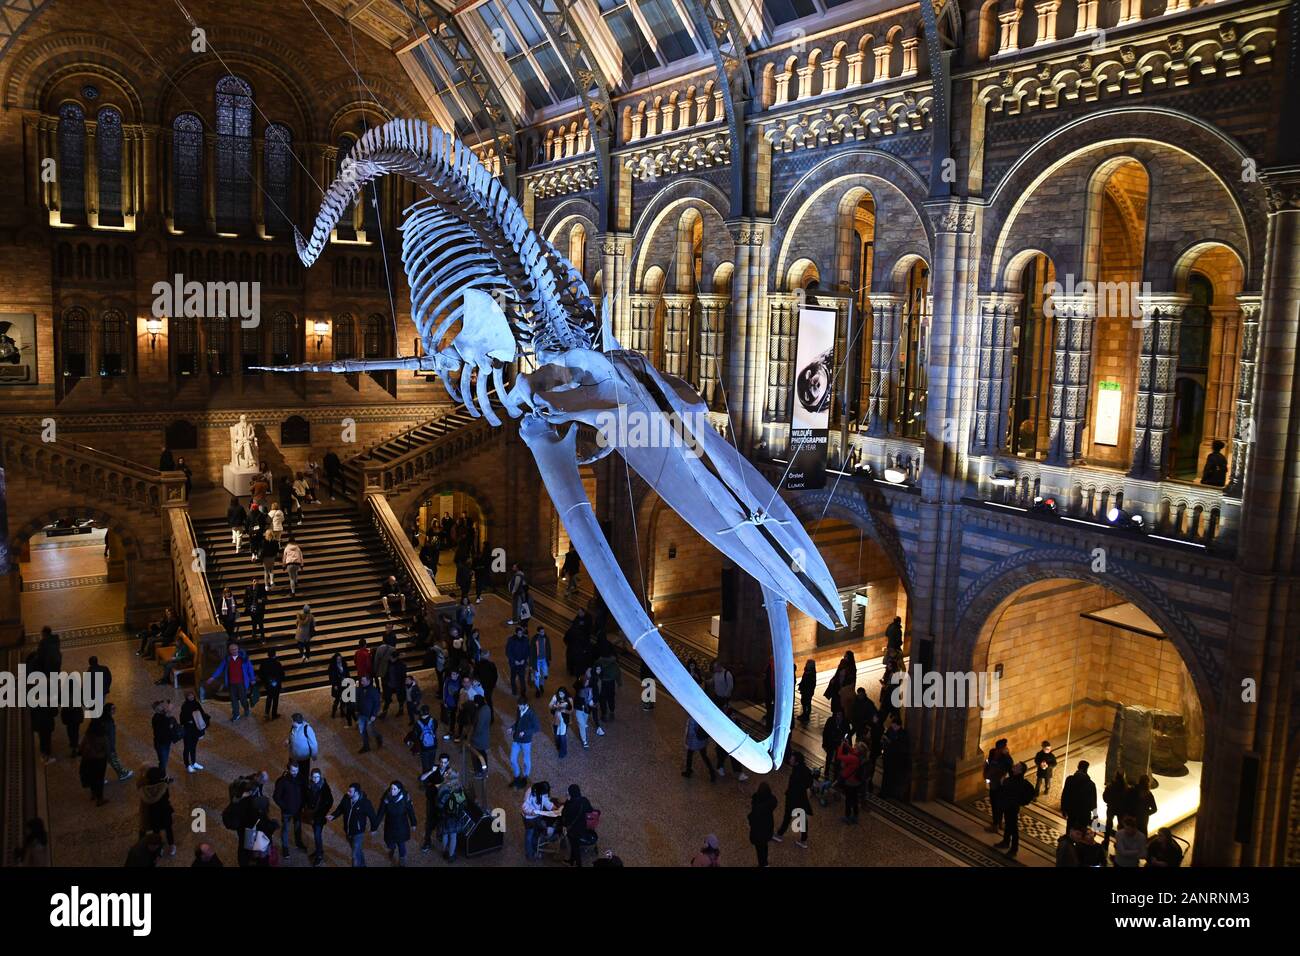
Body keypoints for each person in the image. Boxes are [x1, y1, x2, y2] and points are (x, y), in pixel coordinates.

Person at [328, 783, 378, 867]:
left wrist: (374, 828)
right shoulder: (346, 798)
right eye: (348, 791)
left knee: (354, 855)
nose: (348, 793)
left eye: (350, 791)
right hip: (348, 831)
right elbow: (340, 809)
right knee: (357, 850)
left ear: (357, 792)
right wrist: (333, 816)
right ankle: (362, 865)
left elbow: (372, 816)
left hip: (358, 833)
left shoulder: (365, 803)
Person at [994, 762, 1035, 858]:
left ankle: (1014, 849)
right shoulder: (1013, 777)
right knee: (1008, 826)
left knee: (1013, 829)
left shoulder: (1019, 781)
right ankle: (1005, 842)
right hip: (1007, 806)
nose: (1014, 766)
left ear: (1020, 771)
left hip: (1012, 808)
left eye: (1017, 766)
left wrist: (1003, 782)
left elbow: (1011, 789)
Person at [207, 641, 255, 721]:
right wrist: (213, 677)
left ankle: (246, 709)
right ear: (229, 650)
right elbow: (220, 668)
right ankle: (236, 714)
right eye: (232, 649)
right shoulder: (227, 659)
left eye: (235, 649)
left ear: (238, 649)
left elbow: (250, 669)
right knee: (233, 700)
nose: (234, 651)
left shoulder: (243, 658)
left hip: (241, 683)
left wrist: (252, 679)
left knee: (243, 698)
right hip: (231, 683)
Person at [776, 751, 814, 849]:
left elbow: (794, 786)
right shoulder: (805, 769)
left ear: (796, 761)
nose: (789, 760)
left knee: (787, 817)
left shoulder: (797, 772)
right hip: (801, 798)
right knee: (801, 818)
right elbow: (809, 783)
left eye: (791, 759)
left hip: (793, 798)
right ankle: (803, 840)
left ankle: (779, 835)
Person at [377, 780, 419, 866]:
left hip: (401, 826)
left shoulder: (405, 798)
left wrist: (413, 823)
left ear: (399, 790)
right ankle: (392, 849)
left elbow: (410, 810)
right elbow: (381, 811)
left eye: (394, 789)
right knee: (390, 843)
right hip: (390, 825)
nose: (392, 790)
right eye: (391, 788)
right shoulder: (386, 797)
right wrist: (375, 824)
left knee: (401, 845)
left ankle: (402, 862)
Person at [138, 766, 177, 857]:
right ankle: (171, 845)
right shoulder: (163, 787)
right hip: (164, 811)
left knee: (156, 831)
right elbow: (167, 798)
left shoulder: (144, 789)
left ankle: (159, 848)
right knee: (168, 829)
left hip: (152, 812)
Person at [522, 781, 561, 860]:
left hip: (537, 816)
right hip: (529, 818)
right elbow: (525, 806)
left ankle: (535, 845)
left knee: (535, 832)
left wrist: (554, 808)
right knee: (529, 835)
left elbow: (545, 801)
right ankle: (530, 855)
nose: (546, 794)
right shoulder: (530, 792)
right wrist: (532, 812)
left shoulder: (542, 792)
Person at [303, 768, 334, 866]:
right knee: (316, 835)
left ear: (320, 776)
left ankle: (319, 854)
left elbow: (330, 800)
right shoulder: (309, 785)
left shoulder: (324, 786)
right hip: (312, 814)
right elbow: (306, 797)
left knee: (317, 835)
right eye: (313, 777)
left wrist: (324, 811)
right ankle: (318, 851)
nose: (315, 779)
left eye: (317, 777)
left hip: (319, 816)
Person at [559, 784, 594, 867]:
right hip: (582, 827)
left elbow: (564, 815)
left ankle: (578, 864)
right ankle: (571, 861)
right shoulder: (584, 800)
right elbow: (590, 810)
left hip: (572, 831)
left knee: (575, 847)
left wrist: (567, 801)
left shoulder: (570, 804)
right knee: (575, 845)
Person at [508, 697, 540, 788]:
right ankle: (517, 775)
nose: (519, 708)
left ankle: (525, 776)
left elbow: (537, 728)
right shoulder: (519, 710)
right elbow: (518, 722)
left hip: (526, 741)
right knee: (512, 759)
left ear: (526, 705)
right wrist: (512, 728)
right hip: (516, 739)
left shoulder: (532, 714)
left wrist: (525, 732)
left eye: (521, 706)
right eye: (518, 706)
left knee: (526, 759)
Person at [79, 717, 111, 806]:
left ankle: (93, 794)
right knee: (99, 779)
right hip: (100, 761)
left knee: (92, 777)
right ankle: (100, 798)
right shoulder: (103, 737)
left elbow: (81, 747)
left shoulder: (87, 736)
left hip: (88, 760)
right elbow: (107, 750)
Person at [1061, 760, 1098, 833]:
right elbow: (1093, 801)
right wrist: (1095, 815)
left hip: (1071, 810)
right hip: (1084, 813)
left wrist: (1063, 808)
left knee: (1070, 831)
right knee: (1081, 834)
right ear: (1087, 769)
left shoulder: (1070, 779)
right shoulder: (1091, 784)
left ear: (1078, 767)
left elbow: (1065, 795)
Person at [984, 739, 1013, 833]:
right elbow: (989, 763)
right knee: (994, 804)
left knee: (999, 805)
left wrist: (1007, 755)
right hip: (993, 783)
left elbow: (1010, 767)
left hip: (1000, 785)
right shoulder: (992, 752)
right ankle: (996, 823)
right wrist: (986, 773)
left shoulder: (1006, 758)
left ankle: (997, 824)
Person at [748, 782, 778, 867]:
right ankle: (765, 863)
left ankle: (762, 864)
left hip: (758, 831)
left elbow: (752, 818)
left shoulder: (757, 805)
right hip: (767, 828)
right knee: (764, 846)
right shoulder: (771, 801)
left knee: (759, 849)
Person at [179, 690, 209, 773]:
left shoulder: (197, 704)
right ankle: (187, 765)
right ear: (186, 697)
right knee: (187, 748)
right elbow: (182, 719)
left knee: (193, 747)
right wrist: (189, 721)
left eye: (192, 695)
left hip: (196, 730)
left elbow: (202, 713)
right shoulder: (185, 706)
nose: (191, 697)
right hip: (188, 730)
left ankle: (194, 762)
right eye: (189, 696)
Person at [101, 703, 133, 781]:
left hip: (104, 746)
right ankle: (122, 774)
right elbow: (109, 736)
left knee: (105, 762)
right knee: (113, 760)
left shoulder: (104, 719)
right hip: (107, 746)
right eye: (113, 709)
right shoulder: (108, 722)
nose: (114, 710)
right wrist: (111, 747)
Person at [838, 739, 865, 823]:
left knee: (848, 800)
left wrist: (841, 746)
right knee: (855, 799)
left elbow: (839, 756)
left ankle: (847, 816)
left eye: (855, 747)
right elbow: (852, 750)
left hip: (850, 782)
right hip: (857, 781)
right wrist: (846, 745)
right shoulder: (861, 756)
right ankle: (855, 816)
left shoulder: (853, 758)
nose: (853, 748)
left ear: (857, 749)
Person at [682, 716, 716, 782]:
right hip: (703, 740)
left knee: (689, 755)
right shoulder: (702, 715)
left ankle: (688, 772)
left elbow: (691, 733)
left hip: (694, 741)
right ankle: (712, 771)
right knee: (704, 756)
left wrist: (686, 742)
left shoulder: (692, 718)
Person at [150, 699, 180, 775]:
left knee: (164, 761)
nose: (162, 707)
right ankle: (161, 778)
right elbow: (165, 720)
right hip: (161, 744)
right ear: (156, 709)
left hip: (166, 742)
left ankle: (163, 777)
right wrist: (169, 710)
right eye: (160, 706)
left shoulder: (162, 715)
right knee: (163, 762)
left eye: (161, 705)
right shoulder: (156, 718)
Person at [286, 712, 319, 780]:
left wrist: (314, 756)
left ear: (295, 722)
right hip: (294, 757)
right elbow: (291, 735)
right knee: (293, 772)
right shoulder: (293, 727)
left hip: (304, 759)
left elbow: (314, 744)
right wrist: (288, 741)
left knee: (304, 774)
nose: (291, 722)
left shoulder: (307, 729)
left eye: (292, 721)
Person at [357, 675, 383, 753]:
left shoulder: (373, 690)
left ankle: (378, 738)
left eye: (363, 681)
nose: (362, 682)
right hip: (361, 714)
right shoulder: (360, 689)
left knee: (372, 731)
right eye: (361, 681)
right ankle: (366, 746)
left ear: (368, 681)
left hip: (370, 715)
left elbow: (377, 704)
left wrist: (374, 715)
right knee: (362, 731)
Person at [1102, 770, 1130, 841]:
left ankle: (1106, 840)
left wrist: (1109, 802)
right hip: (1121, 810)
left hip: (1111, 807)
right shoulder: (1126, 788)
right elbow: (1127, 800)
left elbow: (1105, 797)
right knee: (1121, 826)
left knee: (1108, 824)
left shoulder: (1110, 786)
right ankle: (1119, 841)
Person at [259, 648, 286, 720]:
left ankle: (266, 713)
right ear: (275, 654)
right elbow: (282, 674)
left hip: (268, 684)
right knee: (275, 699)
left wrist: (266, 681)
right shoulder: (277, 663)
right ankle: (274, 714)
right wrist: (278, 681)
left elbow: (261, 674)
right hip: (276, 685)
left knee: (269, 698)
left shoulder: (264, 663)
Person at [469, 697, 492, 777]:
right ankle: (483, 770)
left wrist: (473, 736)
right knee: (482, 754)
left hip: (480, 738)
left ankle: (481, 771)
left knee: (480, 755)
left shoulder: (482, 711)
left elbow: (479, 726)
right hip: (483, 736)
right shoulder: (486, 708)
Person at [549, 687, 573, 759]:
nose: (560, 695)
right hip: (556, 719)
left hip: (564, 720)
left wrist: (564, 710)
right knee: (557, 735)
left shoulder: (569, 699)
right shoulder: (555, 697)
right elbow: (550, 705)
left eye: (562, 694)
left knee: (562, 736)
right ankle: (559, 746)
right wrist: (554, 706)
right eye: (559, 694)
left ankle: (563, 752)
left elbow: (571, 710)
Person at [506, 626, 529, 698]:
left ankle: (523, 693)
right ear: (516, 633)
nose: (520, 634)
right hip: (514, 664)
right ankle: (514, 690)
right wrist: (514, 661)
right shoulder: (511, 640)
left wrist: (524, 659)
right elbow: (508, 652)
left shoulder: (525, 640)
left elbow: (527, 651)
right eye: (519, 633)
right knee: (513, 678)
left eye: (521, 633)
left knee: (522, 679)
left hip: (522, 664)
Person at [328, 652, 351, 722]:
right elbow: (331, 677)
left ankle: (342, 711)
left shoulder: (344, 664)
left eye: (340, 659)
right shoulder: (332, 667)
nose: (339, 660)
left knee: (343, 699)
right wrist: (334, 685)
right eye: (338, 659)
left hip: (344, 684)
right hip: (337, 685)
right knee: (337, 699)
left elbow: (347, 673)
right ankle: (333, 712)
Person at [531, 626, 552, 699]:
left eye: (543, 631)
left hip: (544, 659)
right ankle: (537, 689)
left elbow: (548, 647)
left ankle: (541, 686)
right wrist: (531, 663)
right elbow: (532, 651)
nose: (543, 633)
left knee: (543, 674)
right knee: (537, 675)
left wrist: (549, 657)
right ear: (538, 632)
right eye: (542, 632)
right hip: (537, 660)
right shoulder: (534, 639)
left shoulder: (546, 638)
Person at [244, 578, 267, 643]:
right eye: (254, 581)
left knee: (260, 623)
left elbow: (265, 598)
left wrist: (261, 600)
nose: (256, 582)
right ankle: (254, 634)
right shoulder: (248, 589)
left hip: (260, 609)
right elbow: (245, 600)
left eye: (257, 581)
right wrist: (248, 607)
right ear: (252, 582)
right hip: (252, 609)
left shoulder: (262, 588)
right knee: (254, 622)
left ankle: (262, 637)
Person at [797, 660, 817, 724]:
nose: (807, 664)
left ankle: (806, 716)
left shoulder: (812, 674)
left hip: (808, 691)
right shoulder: (806, 671)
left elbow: (812, 684)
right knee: (803, 702)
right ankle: (804, 713)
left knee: (807, 703)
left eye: (808, 664)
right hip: (804, 690)